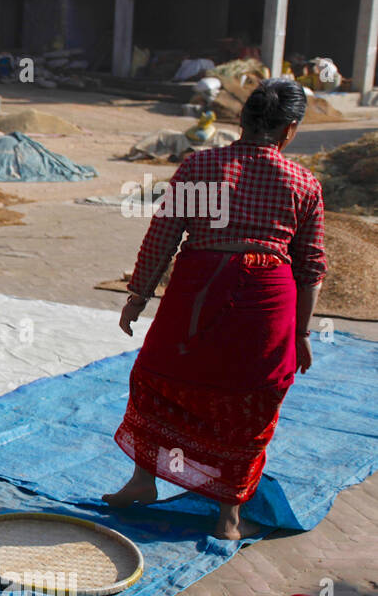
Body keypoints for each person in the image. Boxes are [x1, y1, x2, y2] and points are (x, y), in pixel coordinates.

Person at [104, 79, 326, 541]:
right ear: (289, 129)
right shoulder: (303, 181)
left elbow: (163, 236)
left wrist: (138, 296)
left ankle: (144, 480)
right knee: (251, 399)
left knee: (158, 380)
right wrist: (301, 333)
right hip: (267, 301)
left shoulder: (201, 165)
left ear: (242, 121)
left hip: (197, 292)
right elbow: (310, 267)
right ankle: (228, 514)